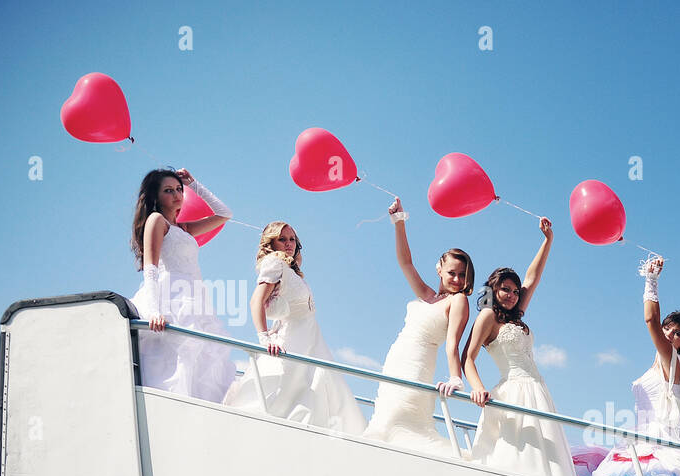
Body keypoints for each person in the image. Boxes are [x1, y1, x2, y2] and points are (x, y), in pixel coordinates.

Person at [590, 257, 680, 476]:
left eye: (677, 333)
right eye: (668, 327)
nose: (669, 333)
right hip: (639, 437)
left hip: (661, 442)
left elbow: (650, 320)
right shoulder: (656, 365)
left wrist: (651, 279)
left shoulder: (671, 359)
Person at [223, 223, 367, 433]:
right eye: (282, 239)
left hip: (311, 339)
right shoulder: (274, 264)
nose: (289, 244)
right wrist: (265, 338)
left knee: (317, 390)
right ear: (271, 243)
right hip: (293, 341)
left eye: (292, 239)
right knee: (287, 393)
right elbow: (256, 302)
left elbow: (283, 307)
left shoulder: (291, 270)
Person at [463, 217, 575, 476]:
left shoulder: (515, 316)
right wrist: (477, 388)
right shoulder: (488, 316)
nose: (512, 294)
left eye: (515, 291)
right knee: (518, 453)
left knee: (547, 457)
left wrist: (548, 240)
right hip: (513, 390)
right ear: (494, 289)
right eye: (505, 289)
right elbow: (467, 357)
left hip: (538, 389)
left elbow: (532, 279)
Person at [361, 198, 472, 456]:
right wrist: (399, 222)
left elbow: (454, 343)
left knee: (402, 424)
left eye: (462, 275)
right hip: (396, 359)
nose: (456, 279)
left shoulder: (459, 301)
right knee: (384, 418)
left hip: (418, 364)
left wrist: (456, 378)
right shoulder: (428, 295)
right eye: (452, 272)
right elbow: (406, 263)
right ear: (439, 270)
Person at [129, 168, 236, 402]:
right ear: (156, 196)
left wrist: (194, 184)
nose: (177, 195)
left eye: (179, 189)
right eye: (169, 190)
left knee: (201, 356)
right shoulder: (156, 221)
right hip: (172, 297)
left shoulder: (184, 228)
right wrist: (155, 310)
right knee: (179, 355)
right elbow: (151, 267)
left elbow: (224, 214)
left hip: (194, 295)